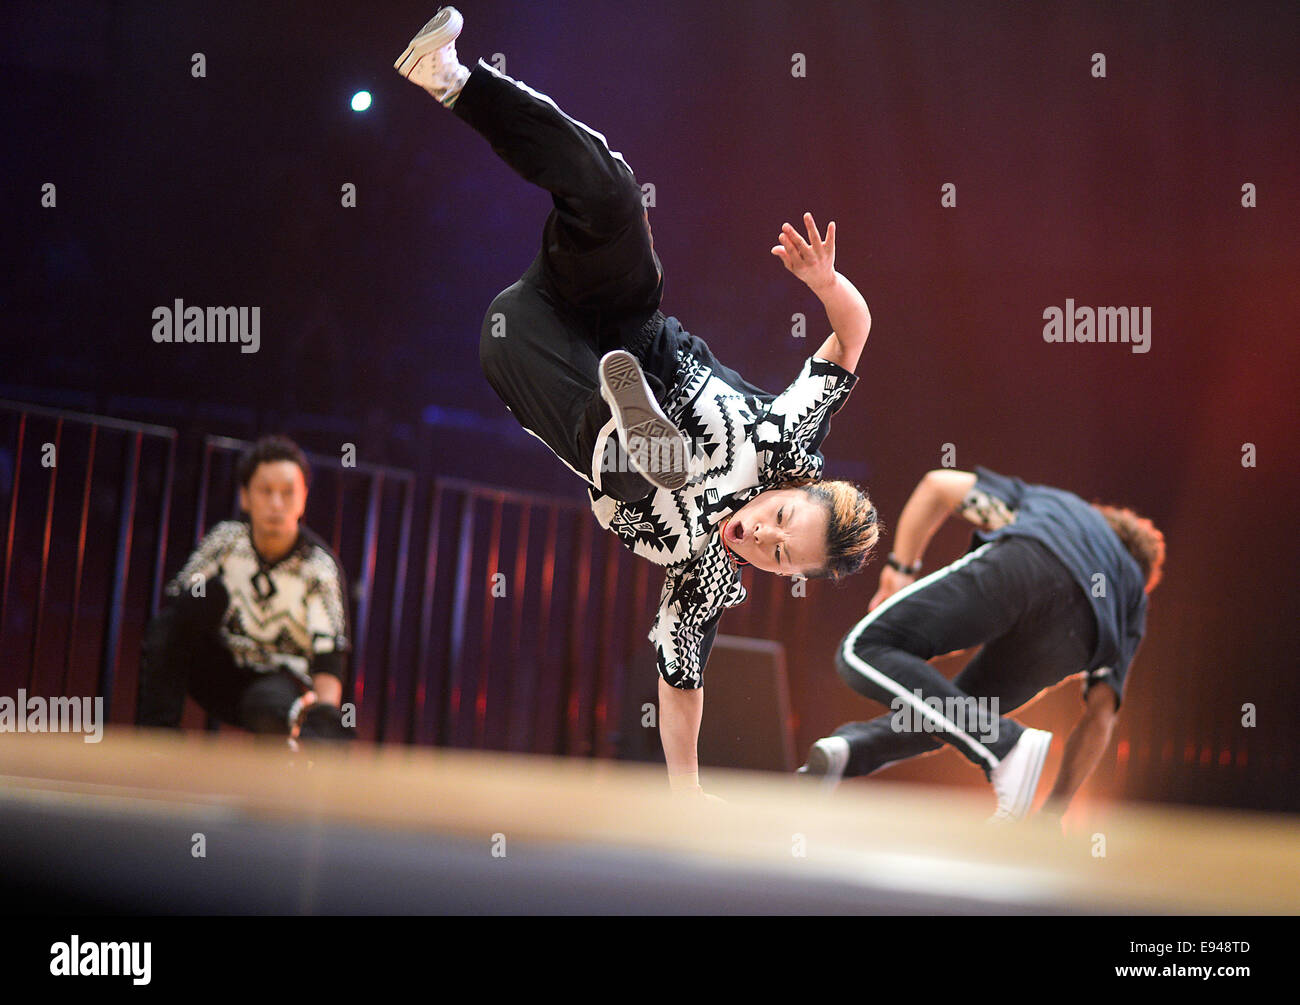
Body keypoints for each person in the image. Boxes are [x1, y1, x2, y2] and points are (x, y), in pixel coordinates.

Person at [394, 9, 879, 795]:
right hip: (621, 318)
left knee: (630, 479)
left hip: (540, 355)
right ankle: (447, 78)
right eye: (781, 521)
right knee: (614, 189)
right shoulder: (792, 435)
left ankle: (632, 444)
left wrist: (684, 795)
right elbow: (855, 331)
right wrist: (826, 285)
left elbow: (683, 689)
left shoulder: (709, 576)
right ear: (796, 485)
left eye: (777, 554)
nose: (760, 535)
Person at [800, 466, 1165, 822]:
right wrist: (1054, 813)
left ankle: (1008, 748)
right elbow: (1101, 716)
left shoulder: (1064, 507)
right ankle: (851, 750)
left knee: (865, 649)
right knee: (964, 712)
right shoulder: (1131, 600)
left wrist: (901, 569)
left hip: (1032, 559)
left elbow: (937, 485)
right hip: (1077, 642)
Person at [136, 435, 354, 746]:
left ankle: (275, 779)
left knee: (273, 708)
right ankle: (156, 743)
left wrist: (325, 714)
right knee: (169, 625)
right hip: (218, 668)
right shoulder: (226, 540)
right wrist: (211, 599)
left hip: (277, 683)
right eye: (265, 491)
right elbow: (178, 602)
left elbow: (330, 654)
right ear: (245, 496)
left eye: (288, 492)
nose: (276, 504)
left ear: (304, 497)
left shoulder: (318, 566)